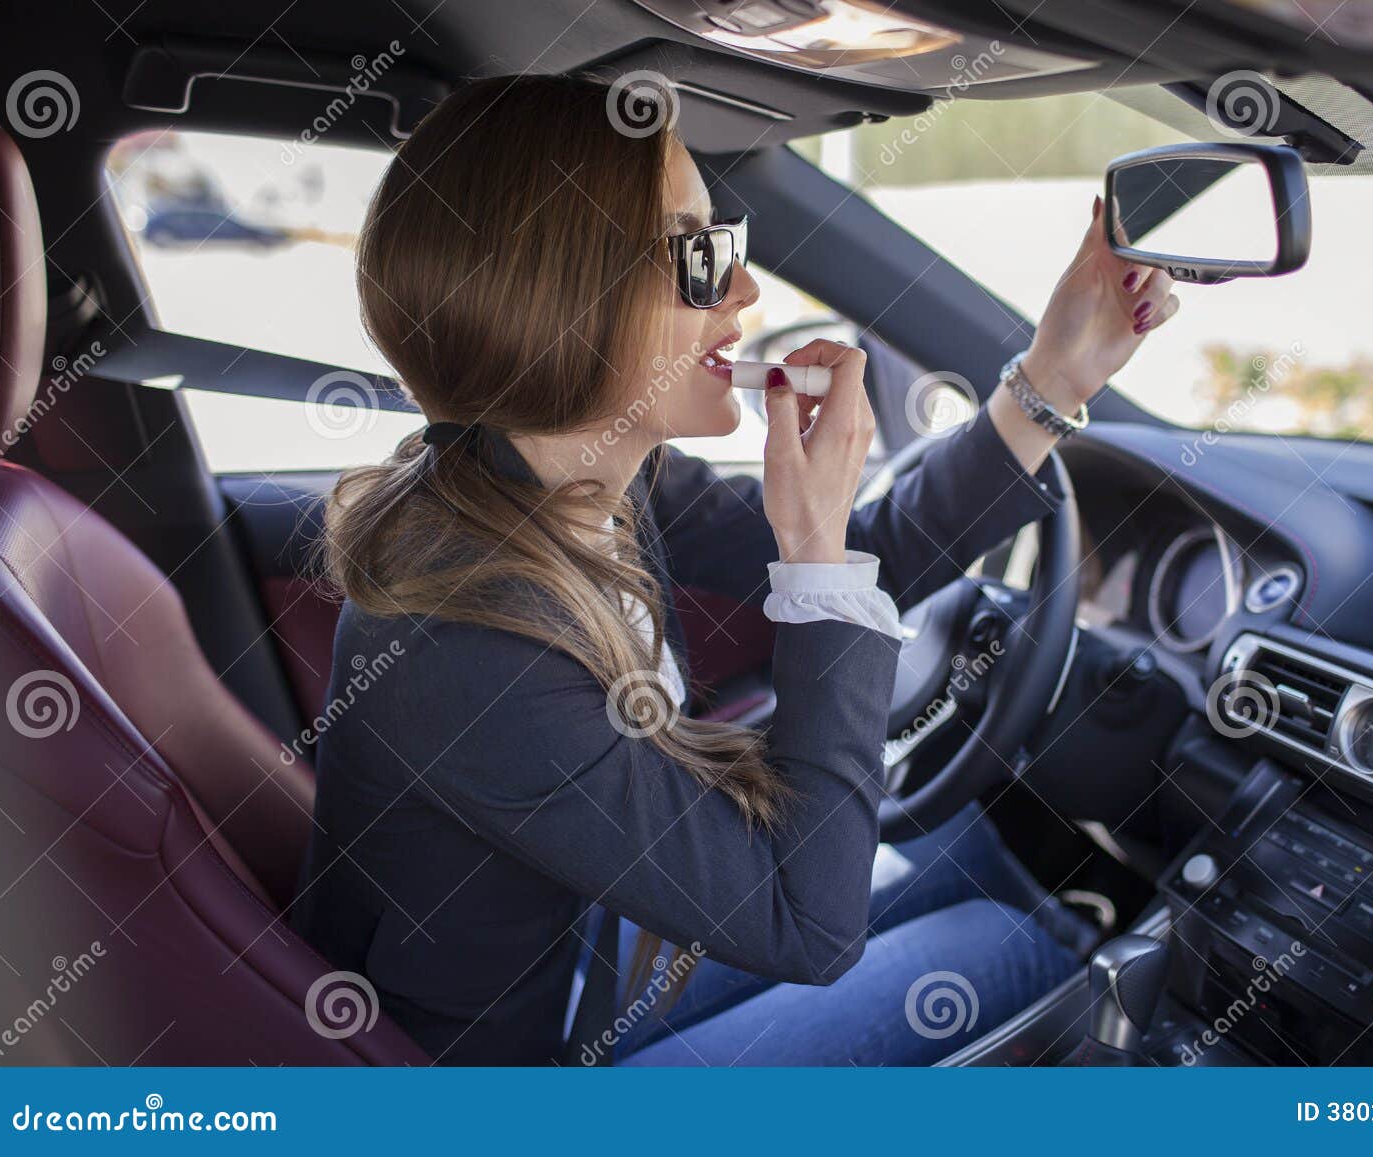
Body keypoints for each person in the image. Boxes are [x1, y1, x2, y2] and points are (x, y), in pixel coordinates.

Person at [290, 73, 1178, 1066]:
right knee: (993, 953)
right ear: (570, 296)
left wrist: (1051, 378)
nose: (746, 293)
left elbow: (871, 550)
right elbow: (810, 924)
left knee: (978, 856)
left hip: (588, 953)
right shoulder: (471, 644)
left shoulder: (591, 476)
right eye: (700, 256)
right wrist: (816, 555)